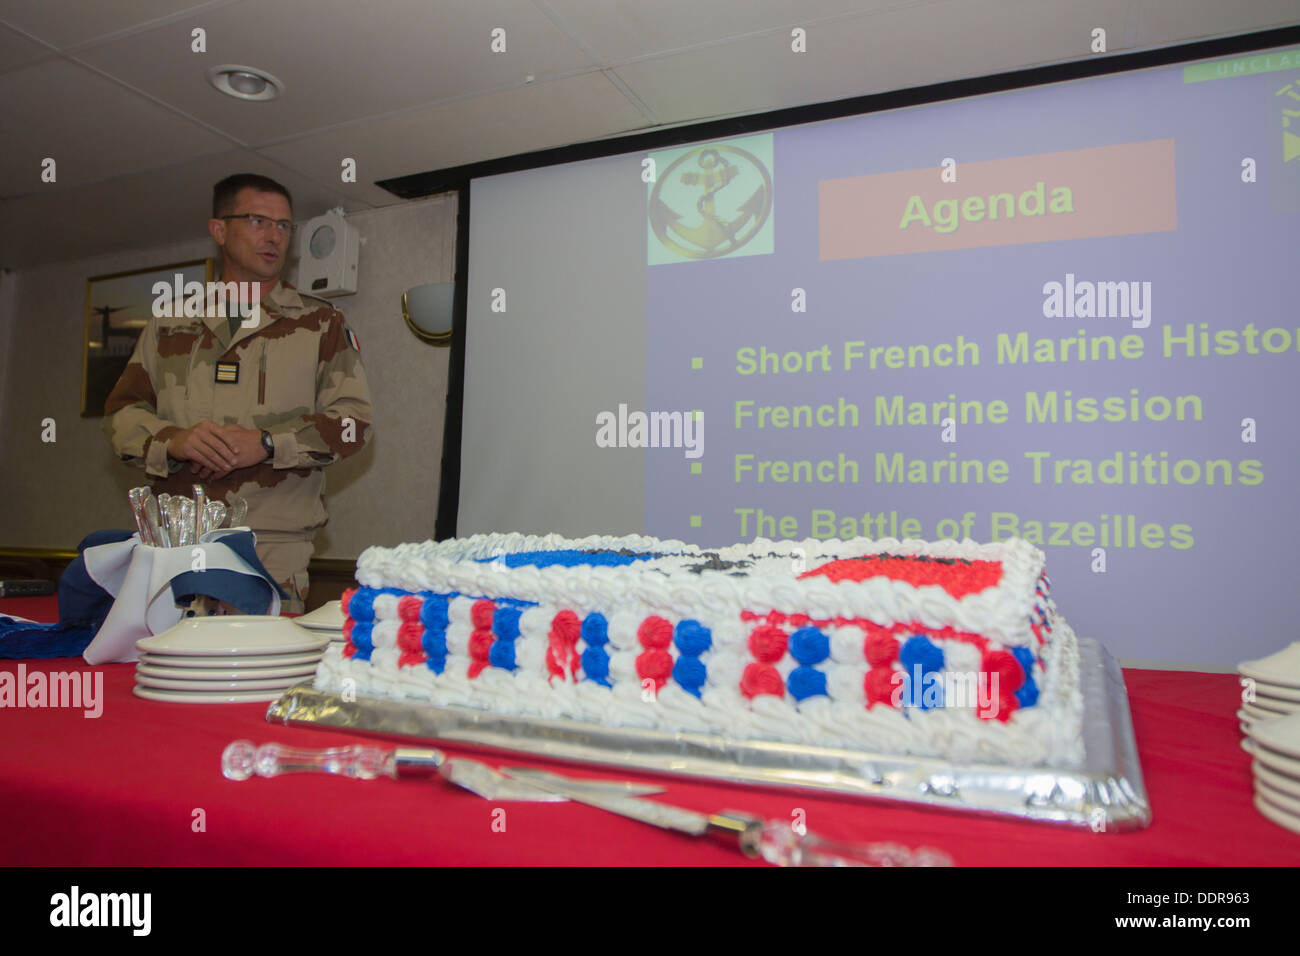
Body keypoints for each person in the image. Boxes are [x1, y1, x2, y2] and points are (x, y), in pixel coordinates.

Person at [102, 173, 372, 613]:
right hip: (176, 545)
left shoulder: (320, 323)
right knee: (168, 677)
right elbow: (120, 416)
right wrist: (175, 440)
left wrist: (267, 443)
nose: (274, 237)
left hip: (270, 546)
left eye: (284, 226)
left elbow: (353, 423)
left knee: (258, 679)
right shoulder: (170, 322)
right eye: (258, 221)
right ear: (219, 230)